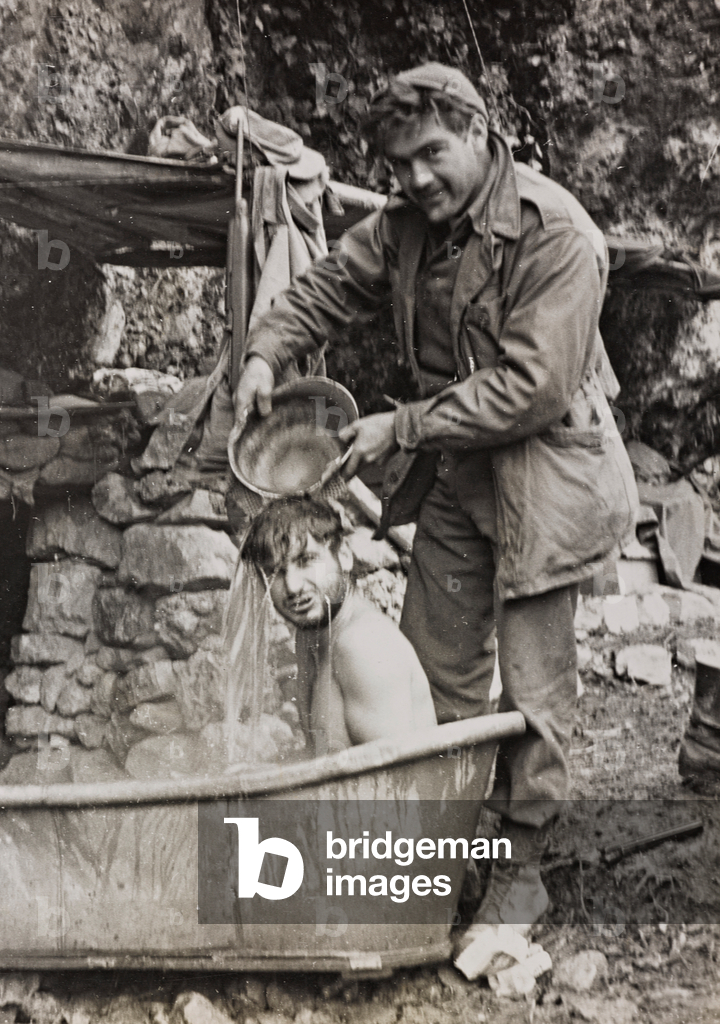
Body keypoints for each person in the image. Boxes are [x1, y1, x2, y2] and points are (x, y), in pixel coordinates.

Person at [233, 63, 638, 945]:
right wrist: (268, 352)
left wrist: (403, 426)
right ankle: (433, 859)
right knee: (431, 672)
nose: (415, 178)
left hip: (552, 474)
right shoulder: (408, 226)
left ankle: (521, 871)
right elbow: (329, 287)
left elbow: (533, 386)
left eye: (430, 153)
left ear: (480, 131)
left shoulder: (556, 232)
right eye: (399, 164)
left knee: (532, 691)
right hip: (464, 475)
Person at [239, 495, 436, 755]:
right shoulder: (310, 634)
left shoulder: (364, 645)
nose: (293, 586)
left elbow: (402, 784)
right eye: (276, 573)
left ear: (344, 556)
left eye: (306, 561)